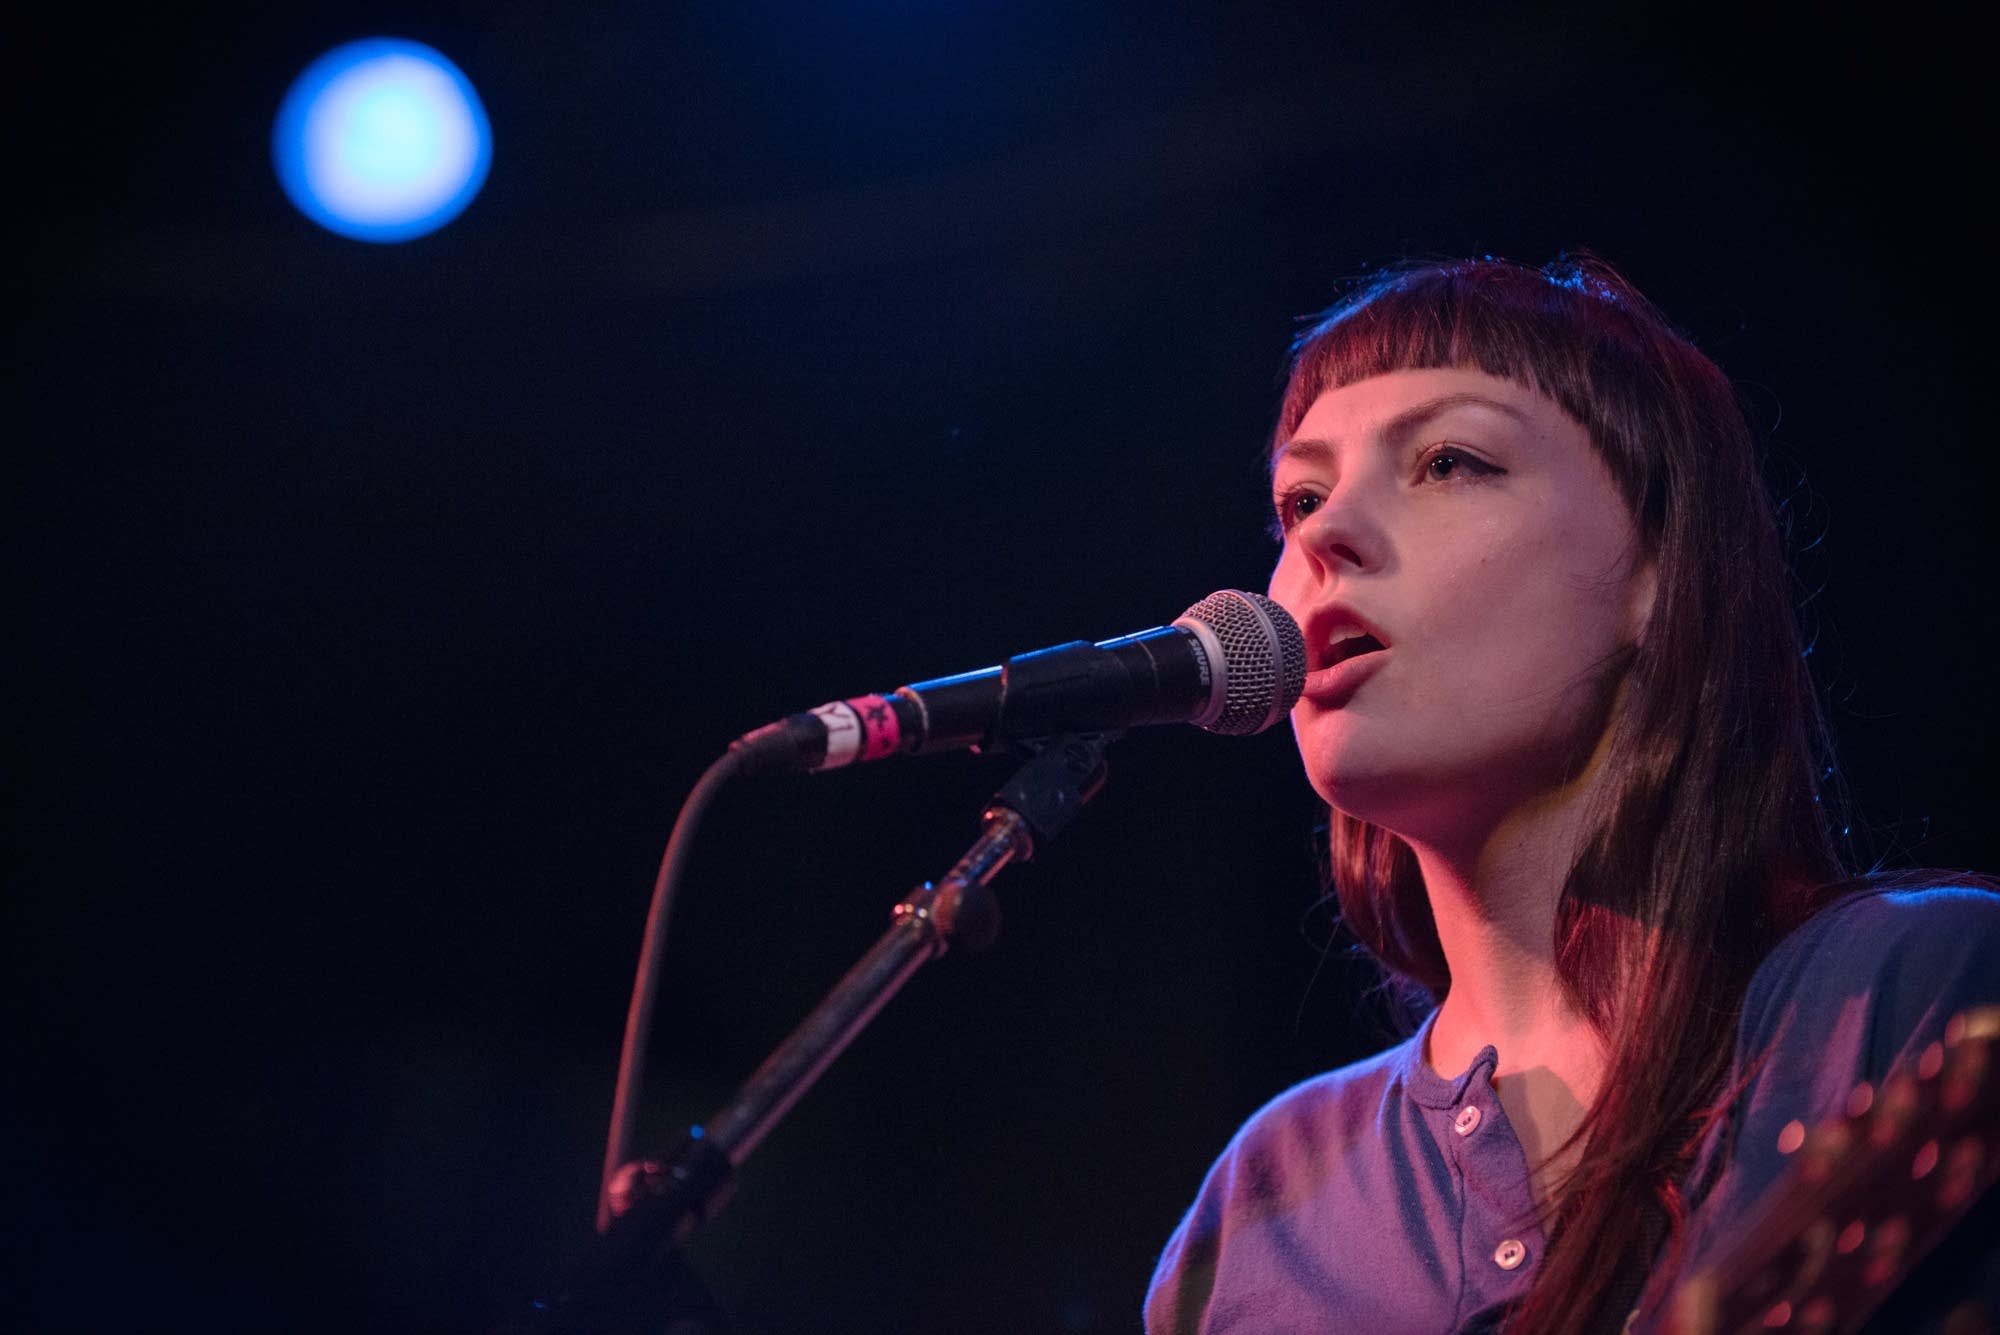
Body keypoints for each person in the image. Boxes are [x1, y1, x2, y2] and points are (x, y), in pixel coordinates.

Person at [1143, 255, 2000, 1335]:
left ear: (1655, 572)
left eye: (1448, 462)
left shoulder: (1905, 997)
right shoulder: (1266, 1210)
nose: (1322, 535)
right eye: (1298, 497)